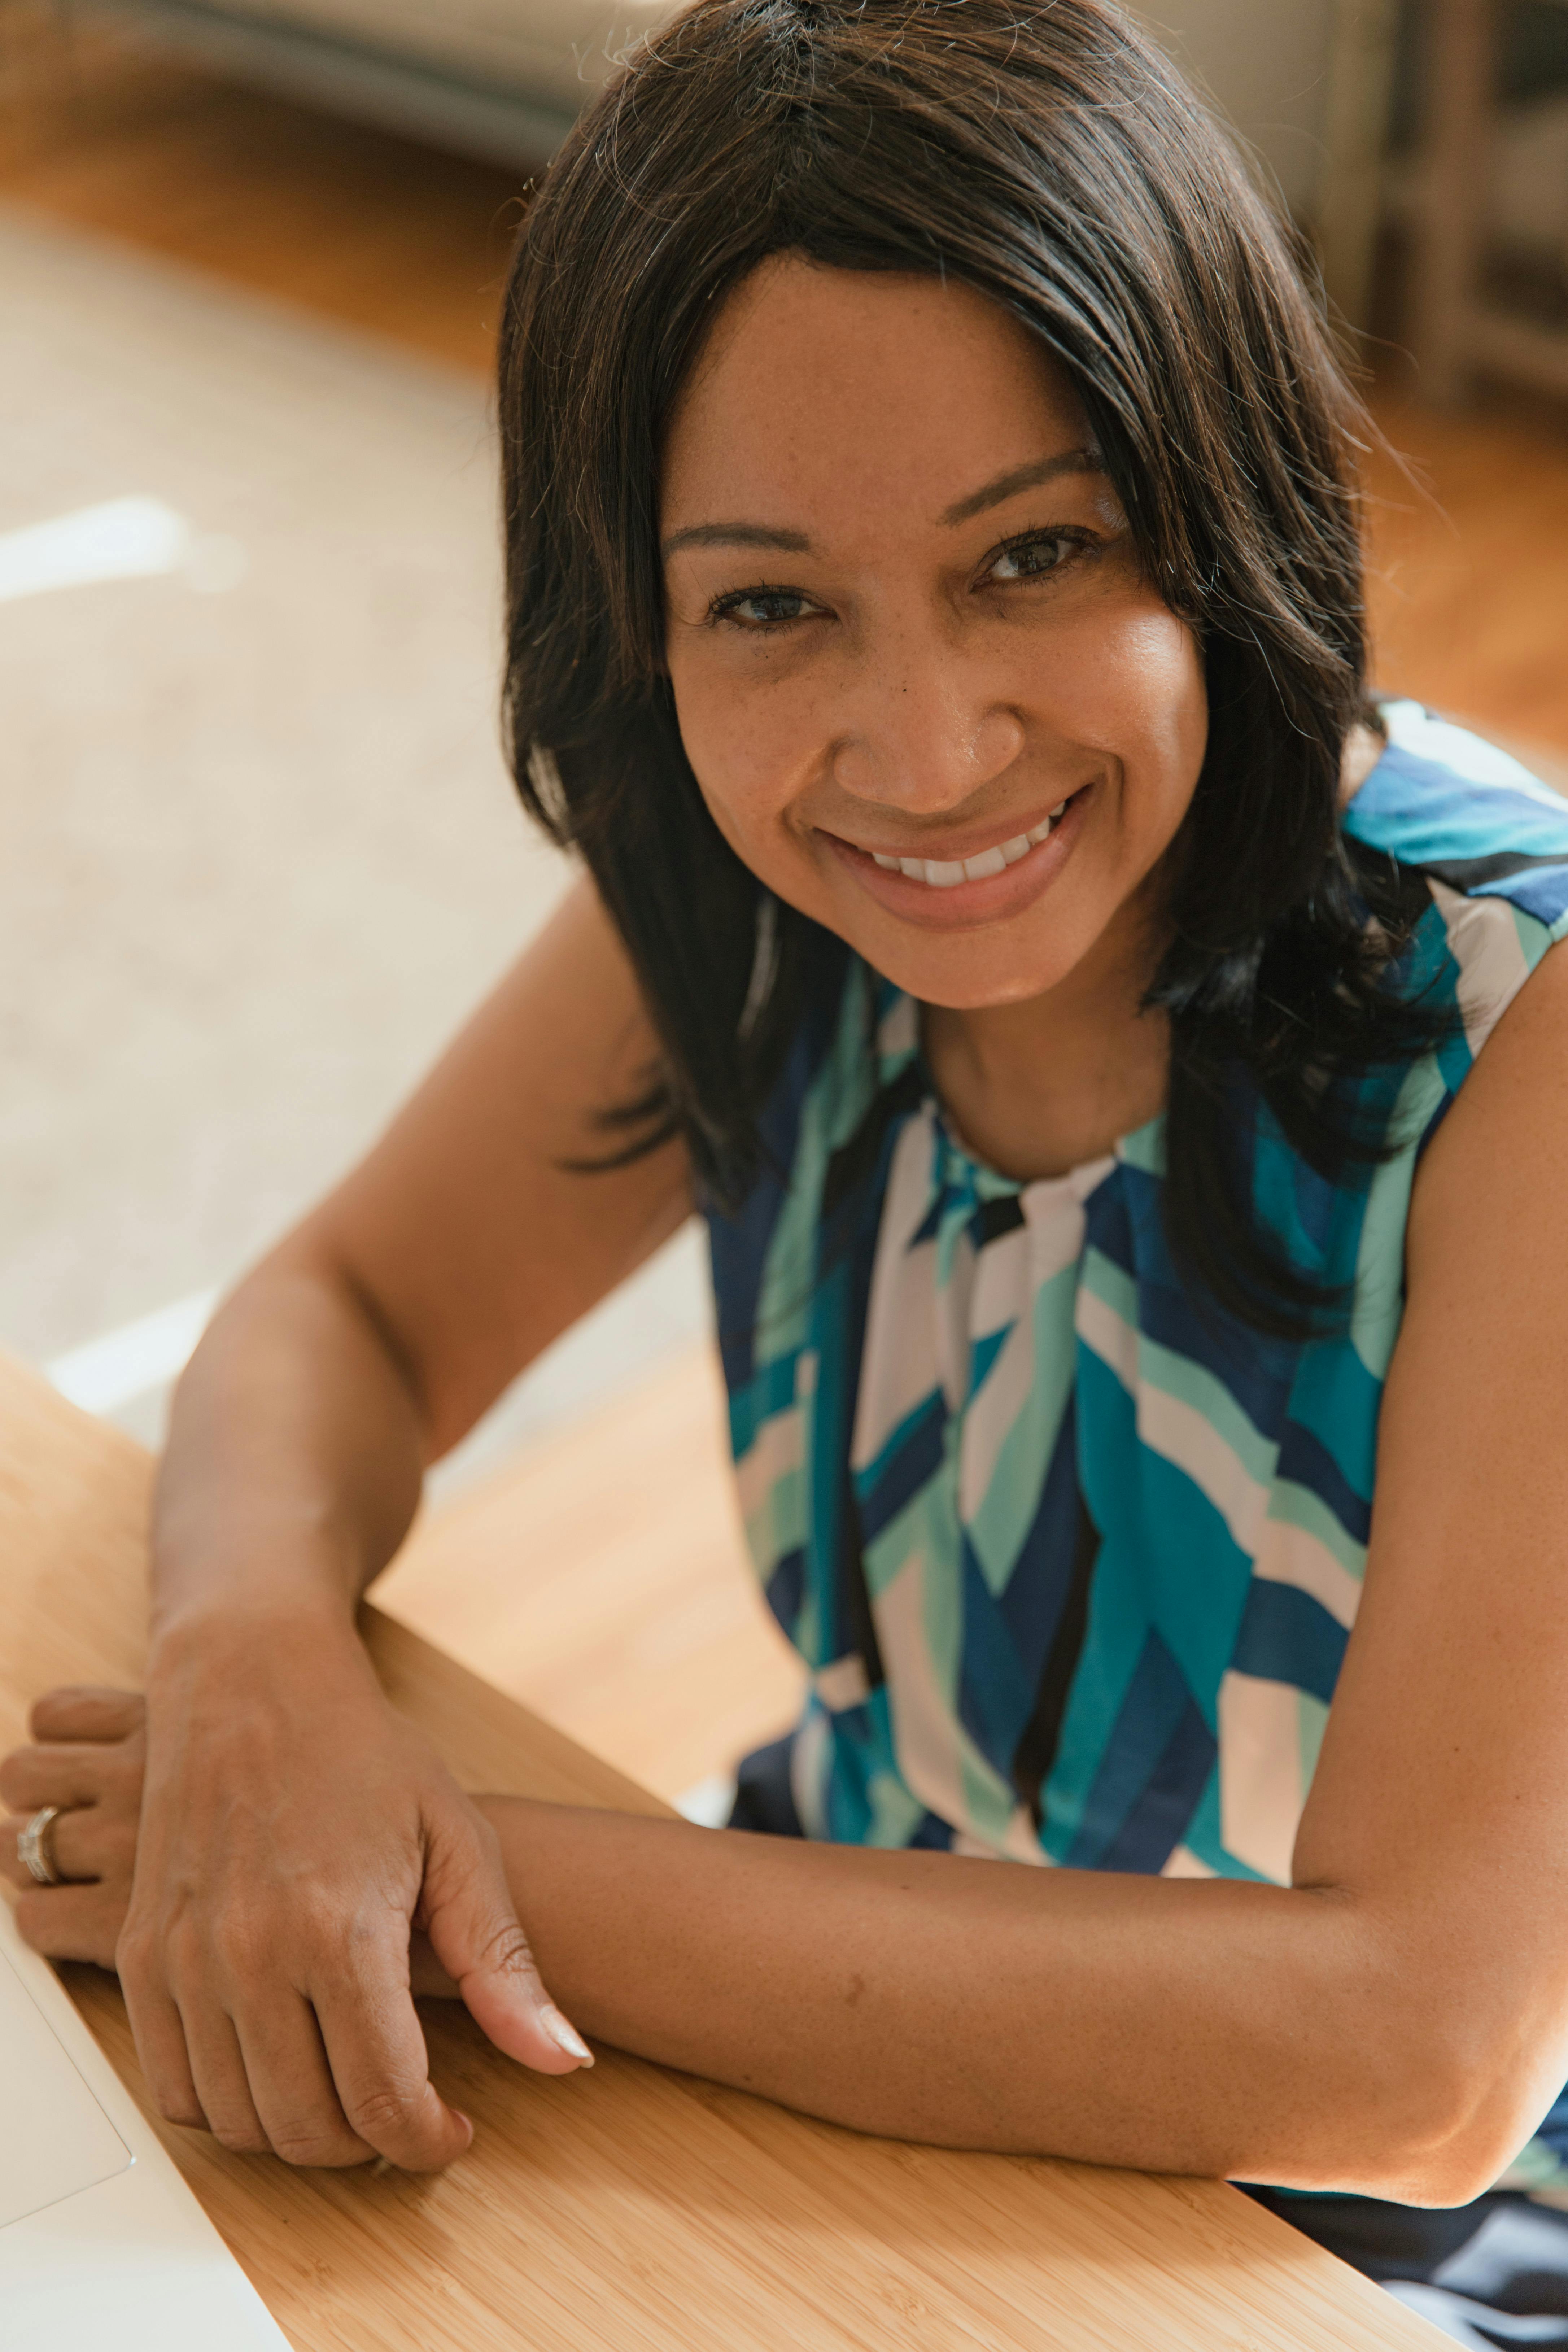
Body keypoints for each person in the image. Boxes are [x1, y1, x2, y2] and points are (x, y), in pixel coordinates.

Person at [8, 0, 1568, 2334]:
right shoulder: (749, 874)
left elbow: (1418, 2057)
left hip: (1368, 2232)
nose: (923, 751)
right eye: (769, 603)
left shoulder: (1525, 1020)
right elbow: (355, 1311)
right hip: (832, 1979)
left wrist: (437, 1858)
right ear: (636, 623)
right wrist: (258, 1687)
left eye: (1037, 553)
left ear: (1223, 501)